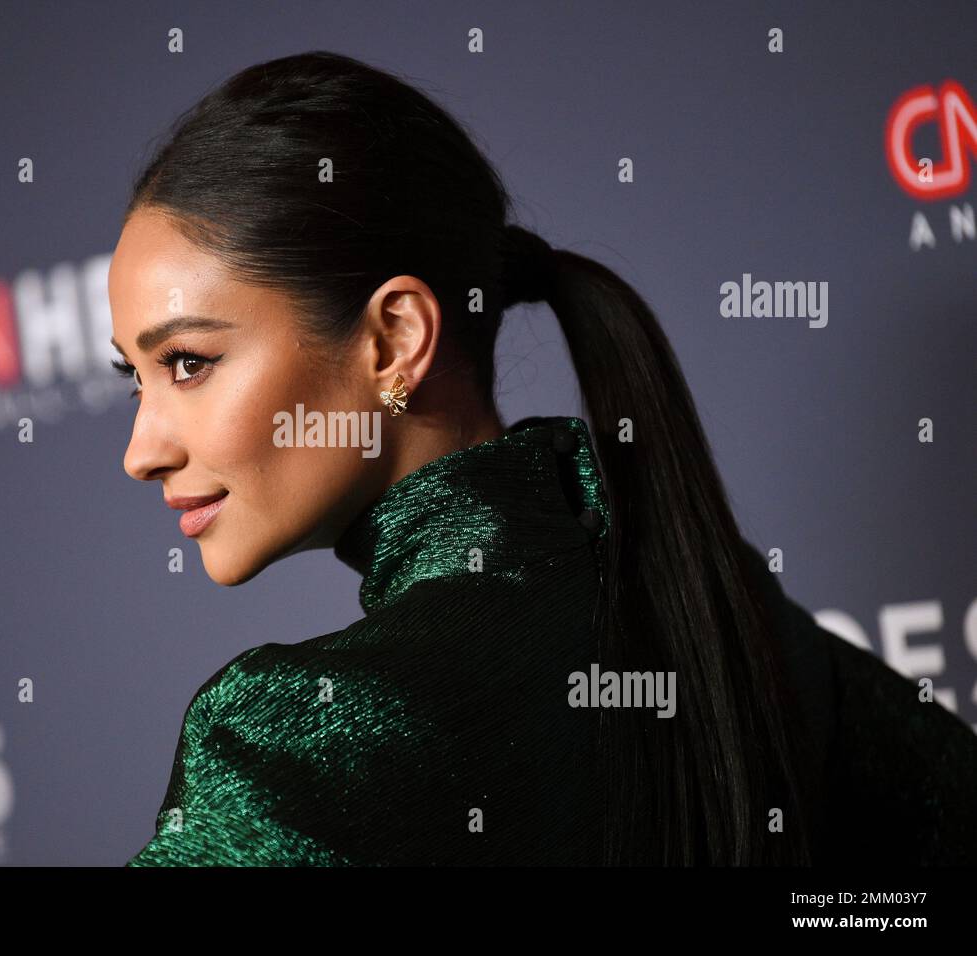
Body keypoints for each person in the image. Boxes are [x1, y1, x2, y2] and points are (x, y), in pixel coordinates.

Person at [107, 50, 977, 865]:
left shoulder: (288, 747)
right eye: (133, 378)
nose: (141, 451)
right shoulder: (732, 617)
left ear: (394, 340)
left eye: (189, 362)